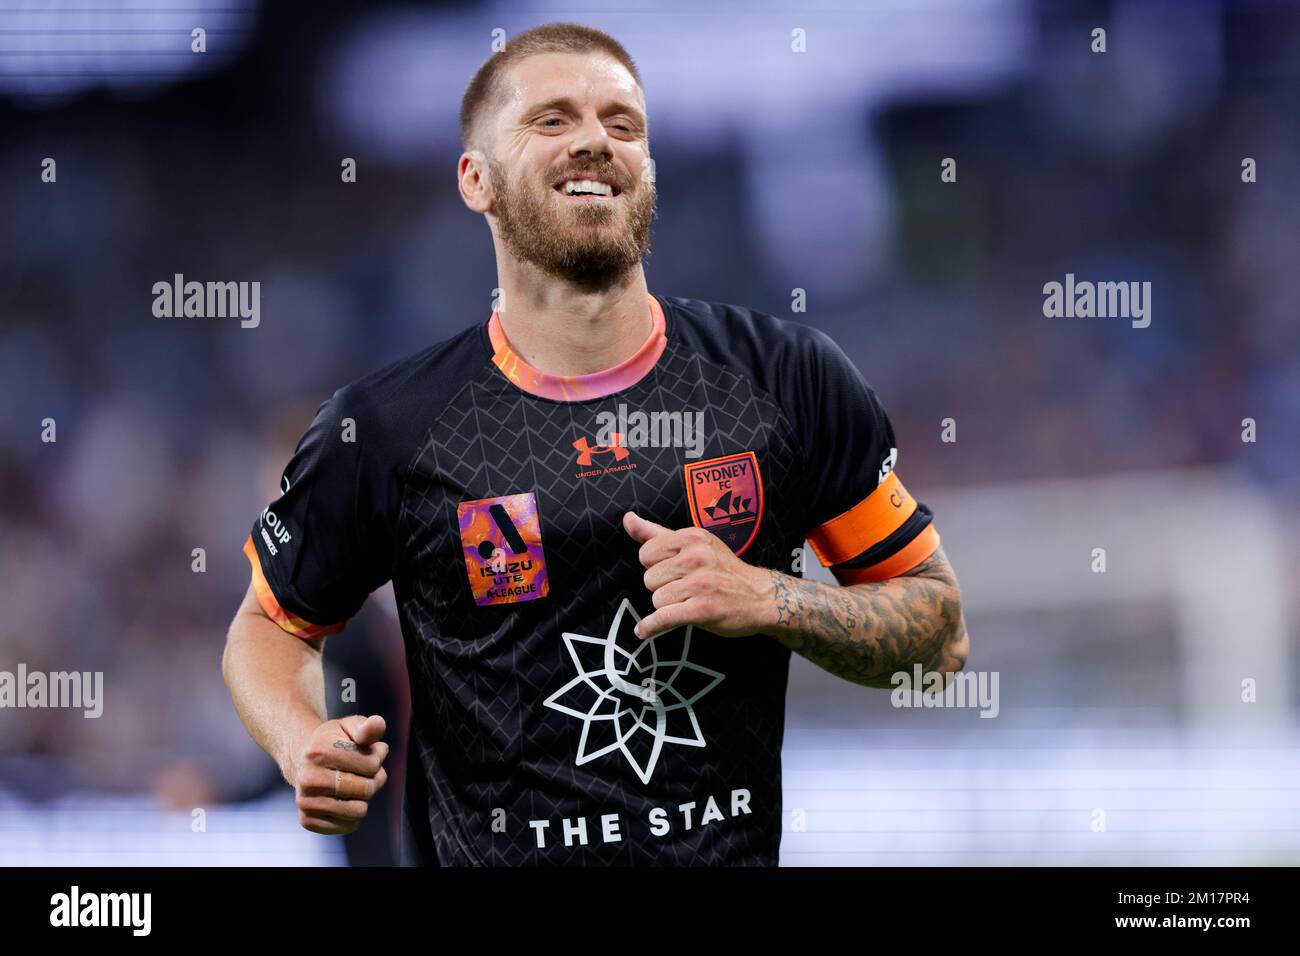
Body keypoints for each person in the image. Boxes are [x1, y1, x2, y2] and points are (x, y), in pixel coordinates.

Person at [222, 22, 969, 866]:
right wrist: (298, 741)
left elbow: (937, 636)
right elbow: (268, 627)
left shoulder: (786, 380)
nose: (594, 140)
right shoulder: (388, 426)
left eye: (623, 124)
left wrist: (771, 600)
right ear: (477, 180)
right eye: (552, 119)